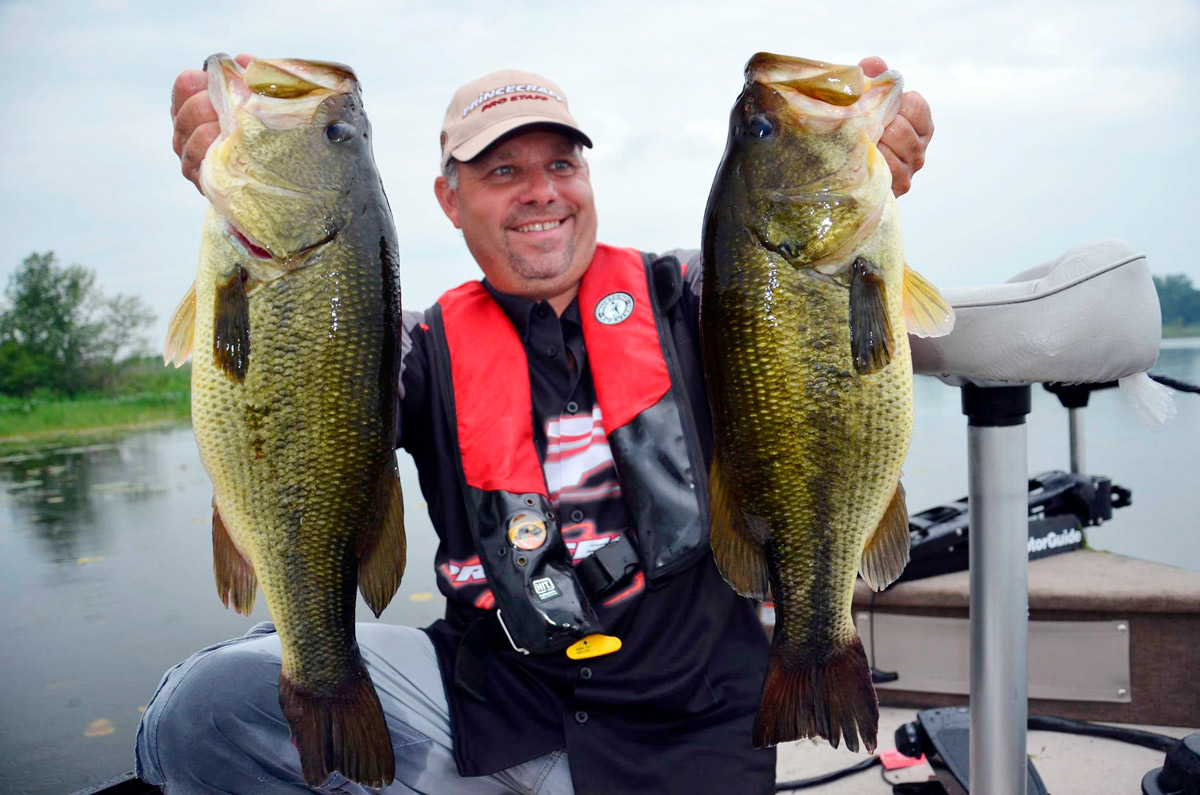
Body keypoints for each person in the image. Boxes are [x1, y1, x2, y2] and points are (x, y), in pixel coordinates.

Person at [138, 56, 933, 795]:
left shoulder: (699, 299)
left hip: (688, 740)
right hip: (489, 722)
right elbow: (307, 398)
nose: (540, 192)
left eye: (561, 164)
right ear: (451, 199)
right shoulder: (411, 349)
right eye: (502, 171)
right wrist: (244, 183)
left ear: (587, 178)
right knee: (202, 709)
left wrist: (867, 165)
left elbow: (814, 327)